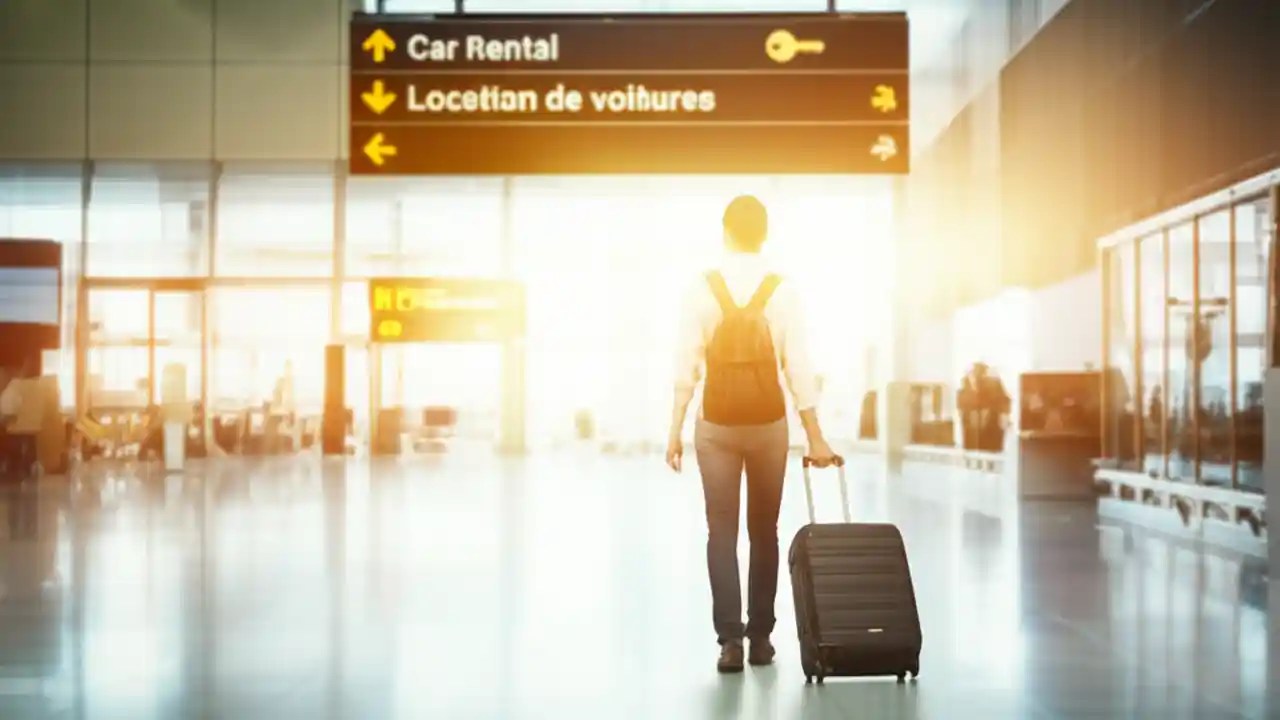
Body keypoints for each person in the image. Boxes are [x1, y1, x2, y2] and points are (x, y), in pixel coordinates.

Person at [665, 195, 838, 674]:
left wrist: (674, 430)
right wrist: (815, 436)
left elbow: (686, 366)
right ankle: (761, 637)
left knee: (720, 533)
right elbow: (798, 367)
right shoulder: (782, 290)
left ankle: (729, 644)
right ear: (765, 233)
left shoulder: (702, 287)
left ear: (725, 231)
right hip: (768, 426)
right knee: (765, 532)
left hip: (715, 426)